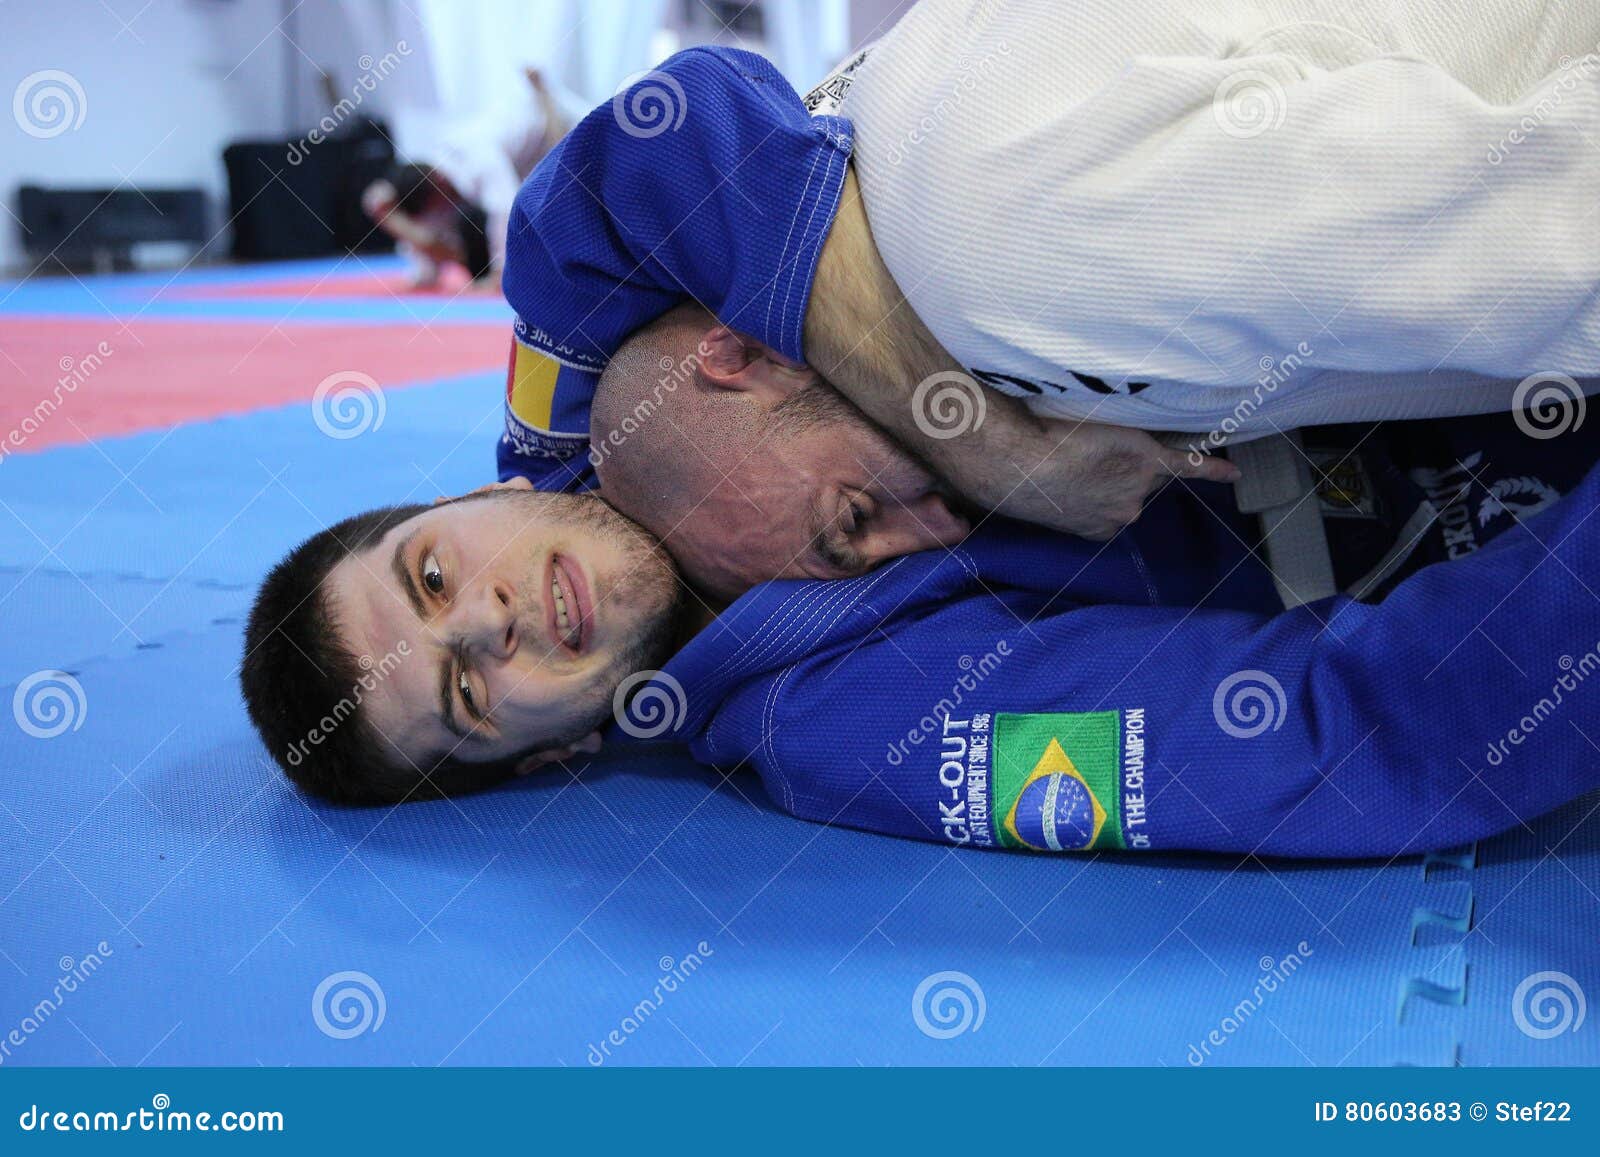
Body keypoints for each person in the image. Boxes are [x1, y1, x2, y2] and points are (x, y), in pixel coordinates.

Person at [241, 406, 1600, 858]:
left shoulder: (607, 368)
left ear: (469, 497)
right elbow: (1346, 731)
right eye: (469, 697)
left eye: (432, 575)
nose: (487, 622)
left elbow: (658, 148)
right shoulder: (849, 718)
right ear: (551, 754)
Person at [498, 5, 1598, 550]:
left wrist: (992, 446)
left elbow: (1564, 226)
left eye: (848, 522)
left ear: (738, 357)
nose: (924, 542)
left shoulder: (1009, 283)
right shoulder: (870, 146)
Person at [363, 68, 580, 288]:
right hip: (532, 150)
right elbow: (431, 244)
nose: (442, 213)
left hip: (563, 121)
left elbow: (506, 211)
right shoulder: (433, 177)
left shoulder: (479, 161)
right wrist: (390, 218)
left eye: (439, 206)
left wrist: (501, 273)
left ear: (439, 181)